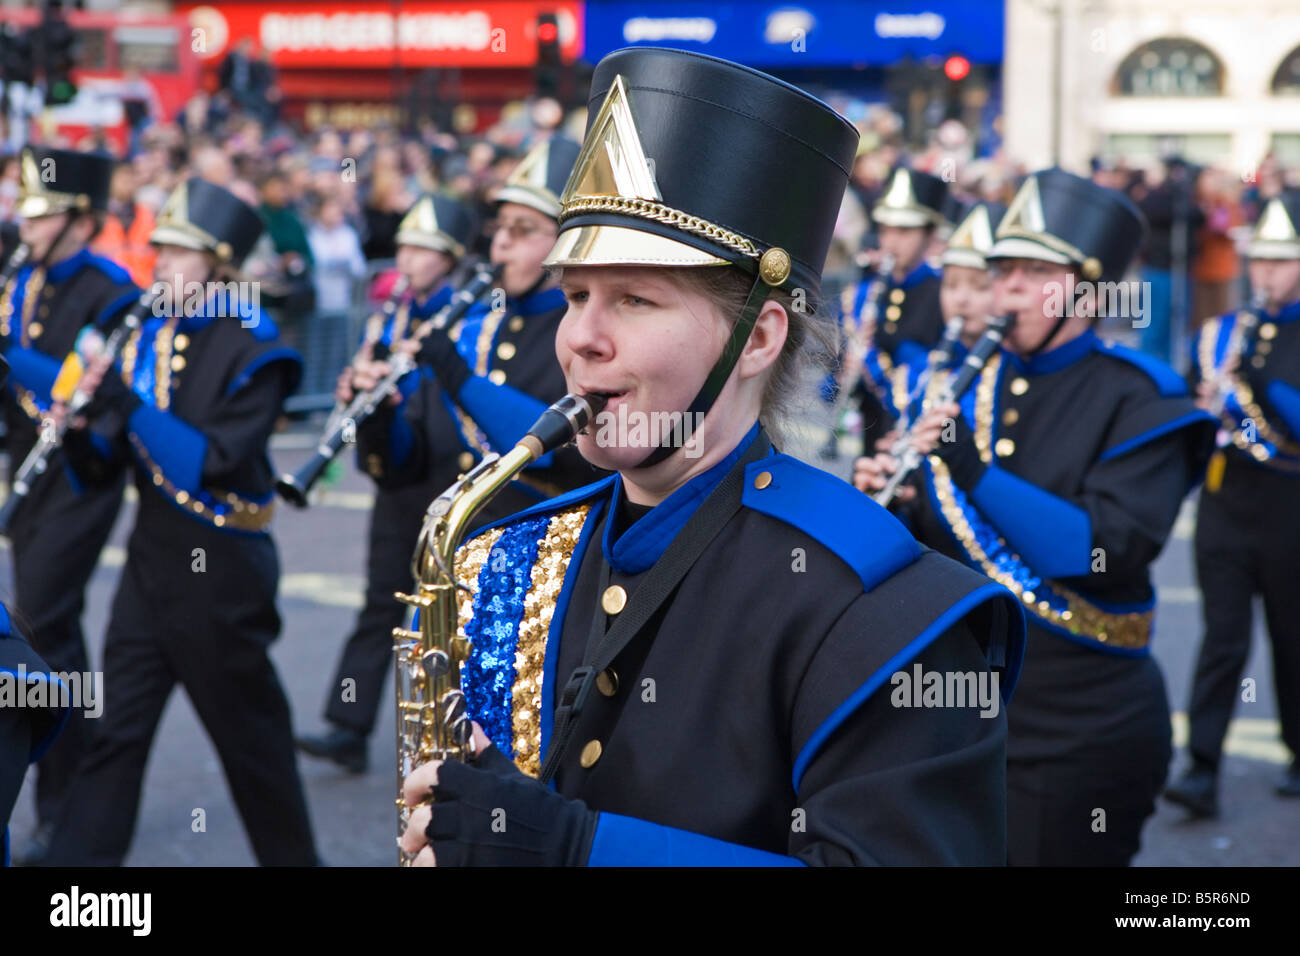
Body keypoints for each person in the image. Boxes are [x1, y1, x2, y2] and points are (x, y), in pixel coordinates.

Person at [396, 47, 1025, 867]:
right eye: (576, 293)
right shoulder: (504, 558)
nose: (582, 337)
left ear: (757, 338)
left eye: (635, 298)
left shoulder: (885, 612)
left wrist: (576, 849)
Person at [854, 168, 1218, 866]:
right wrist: (889, 496)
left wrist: (970, 473)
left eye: (1030, 272)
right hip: (949, 713)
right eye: (1000, 271)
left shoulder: (1144, 400)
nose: (1006, 289)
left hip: (1078, 723)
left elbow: (1100, 546)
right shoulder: (961, 381)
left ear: (1084, 288)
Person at [43, 178, 319, 866]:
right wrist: (78, 428)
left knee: (249, 743)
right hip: (150, 563)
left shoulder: (257, 346)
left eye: (177, 253)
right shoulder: (146, 335)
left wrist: (125, 405)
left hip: (222, 572)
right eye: (157, 251)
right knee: (116, 735)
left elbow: (214, 463)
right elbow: (105, 467)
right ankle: (78, 880)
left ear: (220, 265)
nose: (159, 265)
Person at [295, 191, 476, 772]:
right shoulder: (391, 311)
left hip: (450, 480)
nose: (406, 257)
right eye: (402, 245)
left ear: (448, 256)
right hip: (400, 478)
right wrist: (359, 390)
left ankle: (452, 742)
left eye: (421, 247)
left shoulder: (467, 314)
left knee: (449, 620)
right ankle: (347, 726)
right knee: (380, 605)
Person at [1, 147, 140, 866]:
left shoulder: (110, 289)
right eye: (26, 210)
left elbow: (80, 379)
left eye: (43, 212)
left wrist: (5, 354)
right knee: (52, 631)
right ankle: (77, 791)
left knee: (43, 622)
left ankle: (59, 808)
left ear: (79, 219)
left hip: (82, 476)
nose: (28, 224)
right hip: (24, 471)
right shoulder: (21, 279)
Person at [1165, 191, 1300, 816]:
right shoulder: (1218, 335)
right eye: (1261, 260)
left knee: (1291, 637)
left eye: (1282, 260)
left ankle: (1298, 750)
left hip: (1289, 507)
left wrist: (1253, 386)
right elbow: (1184, 413)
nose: (1266, 272)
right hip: (1225, 506)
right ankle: (1201, 768)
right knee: (1223, 641)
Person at [835, 167, 950, 454]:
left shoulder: (943, 293)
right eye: (886, 230)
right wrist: (841, 375)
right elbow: (828, 382)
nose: (892, 242)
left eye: (904, 231)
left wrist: (870, 358)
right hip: (869, 439)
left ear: (929, 235)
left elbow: (929, 375)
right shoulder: (862, 294)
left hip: (919, 441)